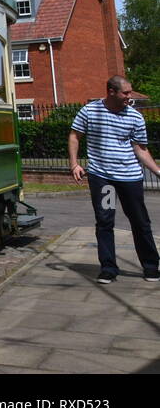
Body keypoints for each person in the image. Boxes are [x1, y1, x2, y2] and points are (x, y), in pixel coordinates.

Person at [68, 75, 160, 284]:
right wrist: (74, 163)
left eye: (130, 92)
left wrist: (157, 171)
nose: (130, 96)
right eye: (126, 93)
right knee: (105, 221)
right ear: (111, 91)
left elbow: (141, 149)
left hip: (129, 178)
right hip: (103, 179)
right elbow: (75, 135)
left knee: (139, 221)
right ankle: (108, 268)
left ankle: (151, 266)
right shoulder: (90, 111)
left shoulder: (135, 117)